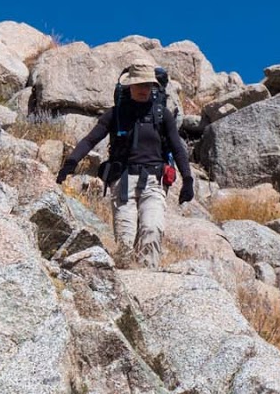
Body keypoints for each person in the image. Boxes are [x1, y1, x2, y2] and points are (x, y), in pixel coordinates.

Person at [56, 61, 193, 267]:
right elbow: (90, 140)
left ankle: (148, 280)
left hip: (154, 182)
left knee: (152, 229)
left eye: (148, 85)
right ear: (129, 86)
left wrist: (188, 179)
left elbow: (177, 148)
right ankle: (129, 282)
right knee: (125, 242)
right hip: (123, 183)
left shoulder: (161, 115)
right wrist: (71, 163)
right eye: (139, 85)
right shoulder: (115, 114)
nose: (143, 90)